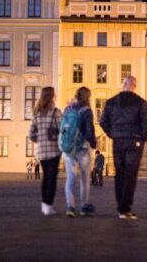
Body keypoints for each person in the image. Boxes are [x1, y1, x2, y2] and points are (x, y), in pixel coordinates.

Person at [99, 75, 147, 220]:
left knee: (120, 173)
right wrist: (142, 137)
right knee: (130, 174)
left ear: (123, 85)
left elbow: (102, 121)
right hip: (134, 140)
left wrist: (113, 133)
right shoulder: (141, 103)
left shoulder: (110, 102)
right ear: (134, 86)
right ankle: (125, 208)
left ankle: (121, 207)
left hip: (118, 140)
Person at [60, 87, 97, 217]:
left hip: (69, 148)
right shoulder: (87, 111)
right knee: (85, 178)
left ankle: (70, 207)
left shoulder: (68, 108)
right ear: (88, 97)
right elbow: (89, 130)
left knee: (70, 177)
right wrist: (93, 143)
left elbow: (63, 127)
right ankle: (84, 206)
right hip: (82, 148)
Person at [28, 86, 62, 215]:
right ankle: (48, 205)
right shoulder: (56, 112)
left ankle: (44, 205)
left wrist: (40, 139)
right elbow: (63, 129)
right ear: (52, 96)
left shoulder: (37, 113)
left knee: (45, 177)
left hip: (41, 151)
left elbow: (31, 134)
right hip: (54, 150)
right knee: (52, 178)